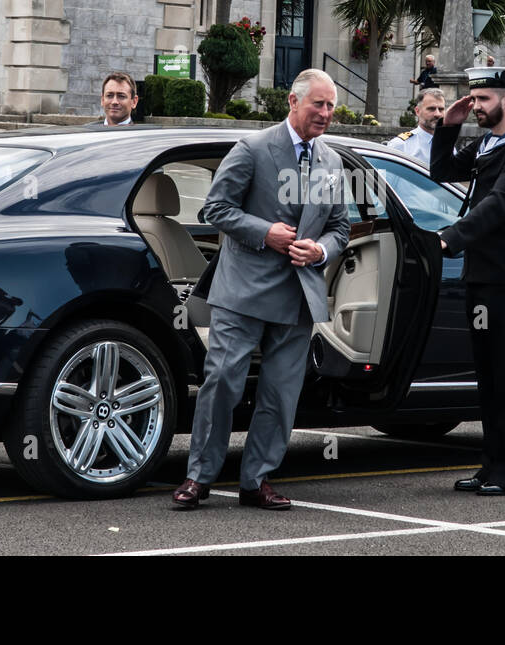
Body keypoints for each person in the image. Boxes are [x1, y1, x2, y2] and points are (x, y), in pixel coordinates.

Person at [172, 68, 350, 511]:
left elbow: (341, 228)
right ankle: (199, 477)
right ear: (293, 102)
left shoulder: (332, 161)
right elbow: (215, 207)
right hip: (243, 292)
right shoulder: (252, 148)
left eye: (330, 106)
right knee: (223, 384)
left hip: (299, 295)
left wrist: (320, 252)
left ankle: (256, 480)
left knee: (280, 392)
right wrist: (264, 231)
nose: (325, 113)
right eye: (318, 104)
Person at [430, 67, 505, 497]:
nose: (476, 106)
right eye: (474, 99)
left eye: (483, 100)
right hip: (481, 278)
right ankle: (492, 465)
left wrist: (451, 237)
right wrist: (449, 125)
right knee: (489, 376)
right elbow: (441, 170)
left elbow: (500, 205)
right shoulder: (486, 143)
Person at [386, 88, 445, 164]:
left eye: (441, 109)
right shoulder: (401, 145)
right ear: (417, 111)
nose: (437, 114)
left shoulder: (448, 144)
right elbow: (379, 172)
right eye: (431, 109)